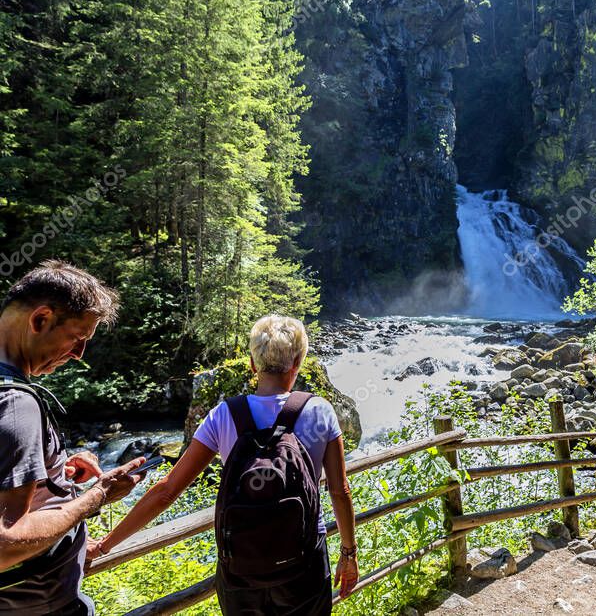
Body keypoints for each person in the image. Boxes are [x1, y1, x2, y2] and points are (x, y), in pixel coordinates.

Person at [89, 315, 359, 614]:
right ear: (298, 362)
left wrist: (105, 544)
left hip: (241, 566)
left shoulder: (223, 415)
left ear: (254, 365)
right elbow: (339, 490)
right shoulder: (319, 410)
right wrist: (348, 553)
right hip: (303, 560)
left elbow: (166, 491)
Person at [0, 260, 145, 615]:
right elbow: (4, 543)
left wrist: (51, 473)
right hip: (39, 605)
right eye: (78, 339)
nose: (79, 355)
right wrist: (94, 498)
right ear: (41, 320)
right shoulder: (16, 403)